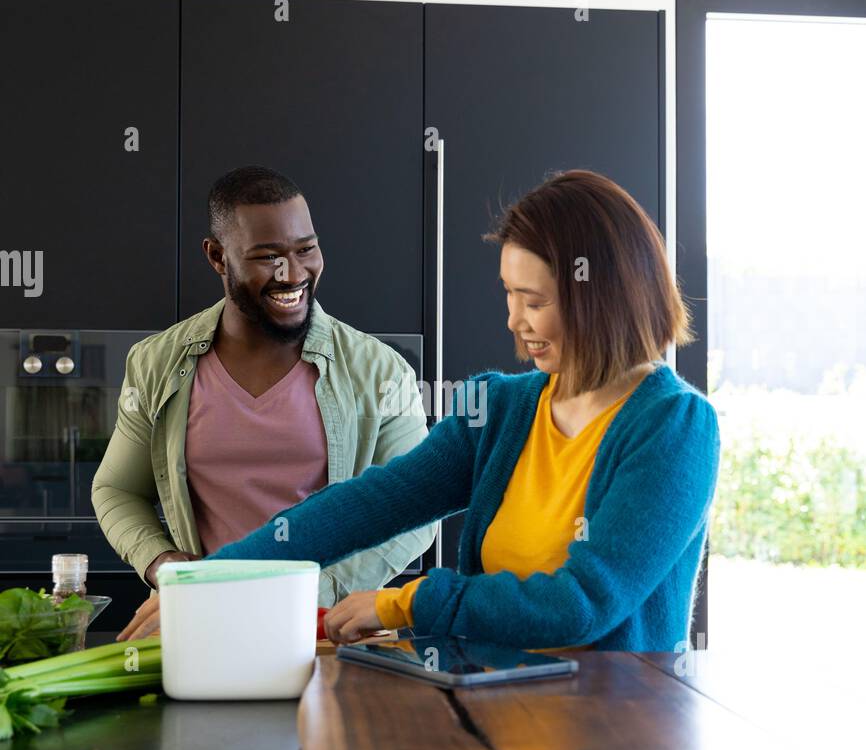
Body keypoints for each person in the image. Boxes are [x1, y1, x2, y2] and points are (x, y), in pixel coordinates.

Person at [118, 169, 720, 652]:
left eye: (534, 301)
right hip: (499, 711)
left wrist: (404, 602)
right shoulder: (499, 408)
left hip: (620, 742)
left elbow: (580, 606)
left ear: (603, 298)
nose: (514, 321)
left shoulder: (673, 427)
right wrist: (205, 582)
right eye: (509, 296)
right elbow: (368, 504)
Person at [94, 166, 434, 608]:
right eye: (266, 256)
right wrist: (162, 563)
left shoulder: (380, 370)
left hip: (322, 626)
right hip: (204, 617)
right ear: (218, 256)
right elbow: (117, 490)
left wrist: (314, 593)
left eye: (305, 249)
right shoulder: (157, 363)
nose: (292, 273)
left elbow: (418, 511)